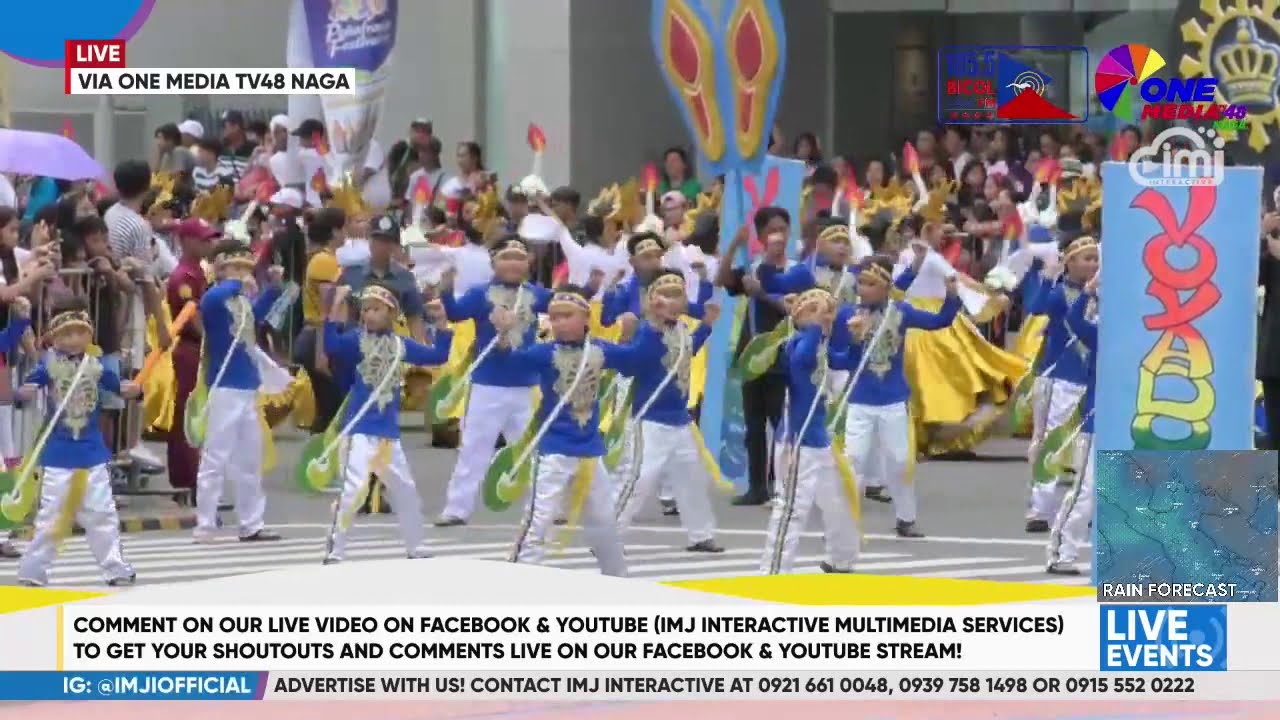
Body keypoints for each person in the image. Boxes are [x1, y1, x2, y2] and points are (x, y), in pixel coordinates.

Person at [492, 284, 634, 576]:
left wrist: (636, 329)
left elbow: (638, 360)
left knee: (606, 524)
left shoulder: (601, 351)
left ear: (585, 318)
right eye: (554, 317)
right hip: (553, 451)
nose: (559, 322)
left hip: (591, 452)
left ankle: (619, 583)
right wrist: (504, 334)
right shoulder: (544, 353)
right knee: (538, 522)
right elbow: (509, 360)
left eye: (567, 315)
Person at [320, 283, 453, 564]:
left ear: (391, 313)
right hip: (358, 430)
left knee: (405, 489)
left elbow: (437, 356)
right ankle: (336, 550)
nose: (369, 314)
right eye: (366, 309)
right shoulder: (356, 340)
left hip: (388, 435)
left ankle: (416, 547)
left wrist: (442, 323)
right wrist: (336, 308)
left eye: (377, 309)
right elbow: (332, 346)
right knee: (354, 489)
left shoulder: (401, 346)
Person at [15, 296, 138, 587]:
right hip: (58, 454)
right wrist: (25, 392)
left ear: (89, 334)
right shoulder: (49, 366)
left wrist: (131, 389)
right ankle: (33, 570)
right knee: (51, 516)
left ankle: (115, 567)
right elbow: (30, 386)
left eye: (79, 332)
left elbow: (116, 386)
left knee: (101, 513)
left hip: (92, 452)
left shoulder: (95, 366)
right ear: (55, 338)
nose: (73, 339)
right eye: (66, 334)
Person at [839, 255, 961, 537]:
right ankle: (844, 521)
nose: (863, 289)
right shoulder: (847, 315)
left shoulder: (900, 312)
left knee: (898, 462)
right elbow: (839, 360)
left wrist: (952, 296)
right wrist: (853, 341)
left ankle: (906, 518)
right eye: (860, 283)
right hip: (860, 400)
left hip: (893, 400)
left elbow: (939, 321)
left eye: (870, 284)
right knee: (853, 461)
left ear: (884, 288)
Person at [435, 237, 553, 526]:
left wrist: (595, 286)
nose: (513, 264)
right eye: (506, 257)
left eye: (519, 258)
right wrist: (446, 289)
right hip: (488, 384)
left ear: (529, 263)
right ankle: (457, 508)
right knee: (474, 448)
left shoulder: (536, 295)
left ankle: (546, 506)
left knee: (532, 449)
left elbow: (568, 303)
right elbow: (454, 312)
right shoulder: (481, 294)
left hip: (525, 386)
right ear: (493, 263)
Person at [612, 270, 722, 552]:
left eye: (678, 295)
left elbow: (687, 353)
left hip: (680, 420)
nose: (673, 302)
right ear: (653, 301)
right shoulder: (646, 331)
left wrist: (706, 326)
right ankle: (608, 535)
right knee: (638, 479)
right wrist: (655, 322)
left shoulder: (682, 330)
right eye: (666, 296)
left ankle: (700, 534)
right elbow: (634, 359)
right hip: (650, 420)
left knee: (692, 479)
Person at [760, 287, 859, 574]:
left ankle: (841, 558)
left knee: (837, 500)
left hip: (821, 440)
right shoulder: (795, 343)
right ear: (800, 317)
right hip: (800, 442)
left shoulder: (821, 347)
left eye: (828, 313)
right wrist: (816, 325)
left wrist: (855, 339)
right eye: (818, 312)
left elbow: (848, 362)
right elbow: (802, 361)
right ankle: (772, 572)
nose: (826, 319)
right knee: (793, 508)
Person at [191, 241, 284, 543]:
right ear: (221, 269)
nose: (244, 274)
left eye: (247, 267)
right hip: (225, 387)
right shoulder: (216, 298)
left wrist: (272, 288)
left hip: (246, 387)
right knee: (215, 457)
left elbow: (254, 316)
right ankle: (205, 523)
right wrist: (234, 282)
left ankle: (251, 522)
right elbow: (210, 300)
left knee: (249, 459)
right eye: (237, 267)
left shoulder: (238, 300)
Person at [715, 209, 809, 505]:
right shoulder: (753, 268)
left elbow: (798, 311)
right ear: (760, 236)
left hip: (783, 354)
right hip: (752, 355)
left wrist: (763, 295)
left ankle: (788, 484)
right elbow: (721, 280)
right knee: (754, 426)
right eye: (771, 230)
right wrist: (733, 245)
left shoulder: (797, 270)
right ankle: (757, 486)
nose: (778, 236)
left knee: (782, 423)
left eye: (783, 228)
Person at [1024, 234, 1098, 533]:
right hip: (1059, 380)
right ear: (1069, 263)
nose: (1093, 264)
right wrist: (1047, 276)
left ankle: (1084, 505)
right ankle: (1040, 509)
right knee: (1051, 441)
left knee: (1087, 447)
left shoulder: (1102, 294)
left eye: (1096, 258)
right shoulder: (1059, 293)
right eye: (1086, 258)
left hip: (1089, 381)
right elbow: (1037, 307)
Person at [1046, 270, 1098, 575]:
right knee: (1086, 490)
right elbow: (1074, 320)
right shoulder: (1102, 332)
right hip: (1099, 420)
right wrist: (1088, 292)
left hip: (1138, 420)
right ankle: (1062, 552)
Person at [165, 218, 219, 504]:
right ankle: (187, 479)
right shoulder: (183, 277)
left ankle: (199, 477)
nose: (208, 244)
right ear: (186, 241)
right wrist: (214, 340)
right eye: (203, 239)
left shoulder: (200, 272)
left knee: (201, 415)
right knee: (188, 416)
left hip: (200, 350)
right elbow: (193, 317)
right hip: (189, 350)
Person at [297, 208, 347, 435]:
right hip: (318, 336)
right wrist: (323, 350)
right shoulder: (324, 261)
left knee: (328, 408)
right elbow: (328, 303)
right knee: (331, 408)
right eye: (344, 228)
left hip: (317, 335)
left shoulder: (323, 258)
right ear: (335, 231)